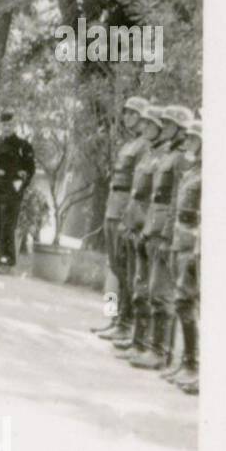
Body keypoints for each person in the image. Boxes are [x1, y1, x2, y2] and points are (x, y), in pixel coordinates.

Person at [128, 104, 193, 370]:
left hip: (166, 229)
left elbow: (177, 198)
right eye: (162, 124)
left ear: (180, 130)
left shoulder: (180, 159)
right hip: (151, 225)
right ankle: (140, 342)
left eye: (168, 125)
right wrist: (146, 228)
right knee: (144, 287)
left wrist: (166, 234)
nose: (163, 128)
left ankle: (160, 351)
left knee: (161, 291)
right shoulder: (163, 154)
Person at [91, 96, 151, 339]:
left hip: (126, 208)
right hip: (114, 206)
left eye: (133, 114)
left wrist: (130, 213)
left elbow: (139, 184)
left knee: (125, 268)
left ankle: (126, 324)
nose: (127, 117)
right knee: (115, 267)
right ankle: (114, 318)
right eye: (126, 113)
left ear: (143, 119)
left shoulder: (144, 145)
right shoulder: (129, 144)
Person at [112, 106, 164, 358]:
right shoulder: (140, 148)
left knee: (142, 283)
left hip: (145, 221)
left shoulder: (154, 153)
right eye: (139, 120)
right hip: (125, 211)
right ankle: (116, 320)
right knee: (118, 270)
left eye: (147, 122)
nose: (142, 125)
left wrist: (144, 224)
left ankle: (133, 332)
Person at [168, 119, 201, 396]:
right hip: (183, 241)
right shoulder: (193, 171)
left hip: (195, 245)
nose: (187, 142)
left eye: (193, 138)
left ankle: (195, 364)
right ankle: (187, 362)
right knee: (181, 301)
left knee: (189, 302)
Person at [0, 110, 36, 271]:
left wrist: (18, 187)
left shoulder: (23, 145)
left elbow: (30, 169)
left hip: (11, 188)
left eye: (10, 124)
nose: (6, 127)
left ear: (15, 126)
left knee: (7, 224)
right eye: (4, 124)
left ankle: (7, 261)